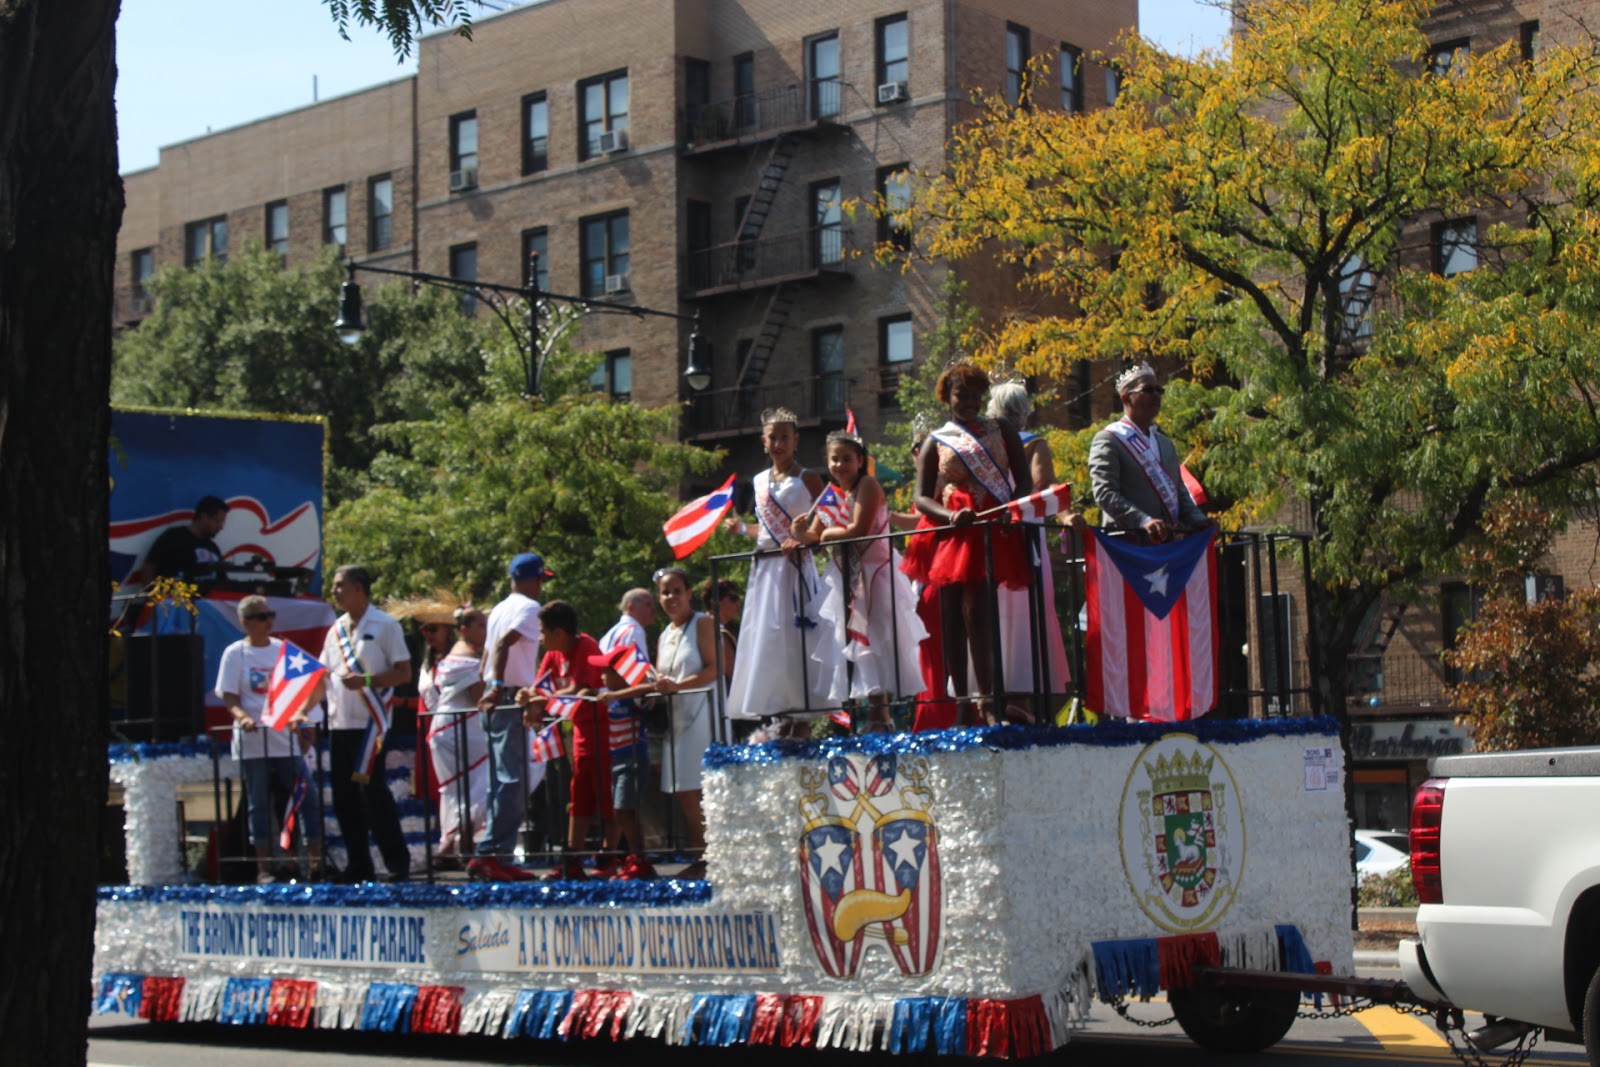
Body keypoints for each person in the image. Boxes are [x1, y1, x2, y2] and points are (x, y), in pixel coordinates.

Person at [915, 362, 1034, 725]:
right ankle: (963, 705)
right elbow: (921, 498)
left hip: (992, 528)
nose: (967, 402)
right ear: (946, 397)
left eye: (973, 395)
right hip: (954, 532)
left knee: (978, 612)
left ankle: (989, 701)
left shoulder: (1003, 430)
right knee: (951, 618)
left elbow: (1024, 482)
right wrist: (949, 516)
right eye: (959, 395)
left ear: (983, 395)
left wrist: (1009, 510)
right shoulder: (938, 439)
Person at [792, 431, 926, 730]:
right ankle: (875, 714)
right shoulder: (831, 494)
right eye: (835, 459)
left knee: (878, 639)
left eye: (847, 459)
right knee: (855, 643)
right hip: (846, 579)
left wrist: (826, 534)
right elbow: (813, 536)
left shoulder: (868, 485)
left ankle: (885, 715)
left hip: (874, 574)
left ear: (860, 461)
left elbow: (859, 529)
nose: (840, 465)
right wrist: (800, 532)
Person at [722, 407, 839, 733]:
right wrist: (741, 530)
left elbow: (828, 517)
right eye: (772, 437)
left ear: (795, 439)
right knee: (768, 639)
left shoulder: (809, 478)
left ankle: (801, 721)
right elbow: (763, 531)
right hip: (765, 570)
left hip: (794, 569)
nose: (778, 443)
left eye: (784, 437)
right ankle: (779, 717)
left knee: (795, 639)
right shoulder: (758, 481)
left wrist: (804, 540)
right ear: (763, 441)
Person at [215, 594, 322, 883]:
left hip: (285, 740)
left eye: (271, 615)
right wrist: (242, 718)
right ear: (246, 622)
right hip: (253, 742)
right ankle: (264, 866)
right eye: (262, 617)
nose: (269, 622)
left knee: (304, 796)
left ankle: (313, 862)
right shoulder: (235, 654)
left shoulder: (282, 650)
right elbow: (228, 695)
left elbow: (317, 678)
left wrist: (302, 714)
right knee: (258, 804)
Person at [986, 382, 1083, 699]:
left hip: (990, 535)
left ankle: (993, 699)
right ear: (1024, 411)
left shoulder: (983, 446)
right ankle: (1026, 701)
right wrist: (1068, 516)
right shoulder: (1034, 444)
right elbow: (1044, 486)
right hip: (1025, 535)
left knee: (993, 614)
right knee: (1028, 615)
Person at [318, 564, 412, 883]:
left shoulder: (385, 625)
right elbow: (322, 676)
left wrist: (368, 680)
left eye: (340, 585)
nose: (335, 591)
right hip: (340, 723)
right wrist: (302, 710)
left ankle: (397, 861)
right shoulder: (336, 630)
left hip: (371, 724)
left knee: (372, 791)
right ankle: (358, 863)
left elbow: (403, 672)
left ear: (358, 588)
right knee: (344, 796)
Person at [470, 552, 552, 882]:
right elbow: (504, 644)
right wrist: (497, 686)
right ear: (531, 579)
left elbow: (487, 652)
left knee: (499, 778)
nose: (541, 587)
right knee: (512, 779)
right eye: (540, 580)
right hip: (508, 695)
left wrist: (487, 685)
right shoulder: (530, 608)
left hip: (499, 695)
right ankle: (492, 853)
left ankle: (496, 854)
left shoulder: (501, 608)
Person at [394, 592, 488, 869]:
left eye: (433, 628)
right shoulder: (428, 664)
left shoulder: (459, 660)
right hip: (437, 731)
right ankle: (451, 844)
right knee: (447, 792)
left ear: (451, 630)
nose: (428, 635)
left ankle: (458, 845)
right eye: (424, 630)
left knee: (465, 788)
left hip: (460, 729)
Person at [518, 599, 607, 882]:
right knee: (578, 794)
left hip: (604, 731)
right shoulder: (553, 655)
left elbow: (581, 688)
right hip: (580, 733)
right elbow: (539, 688)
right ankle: (572, 860)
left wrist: (541, 701)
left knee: (605, 794)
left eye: (543, 632)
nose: (541, 638)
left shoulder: (587, 647)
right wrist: (528, 699)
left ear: (559, 633)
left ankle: (612, 856)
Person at [1088, 363, 1208, 543]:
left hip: (1168, 543)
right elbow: (1105, 493)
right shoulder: (1109, 439)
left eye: (1159, 390)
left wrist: (1200, 521)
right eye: (1148, 390)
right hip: (1130, 543)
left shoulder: (1165, 443)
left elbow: (1179, 492)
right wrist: (1143, 520)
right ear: (1126, 398)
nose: (1156, 395)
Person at [653, 566, 718, 878]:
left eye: (677, 590)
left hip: (703, 713)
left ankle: (714, 857)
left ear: (688, 593)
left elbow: (715, 669)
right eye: (665, 592)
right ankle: (701, 855)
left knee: (702, 787)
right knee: (684, 790)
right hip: (676, 717)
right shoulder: (665, 634)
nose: (671, 597)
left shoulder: (702, 623)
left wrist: (678, 686)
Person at [597, 588, 656, 879]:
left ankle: (616, 856)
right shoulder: (632, 633)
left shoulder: (607, 635)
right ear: (631, 606)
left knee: (621, 797)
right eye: (648, 604)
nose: (653, 611)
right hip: (627, 722)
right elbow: (640, 675)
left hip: (611, 724)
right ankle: (636, 858)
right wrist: (649, 695)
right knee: (625, 797)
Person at [136, 495, 229, 582]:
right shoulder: (173, 537)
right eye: (217, 521)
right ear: (203, 517)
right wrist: (156, 596)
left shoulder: (213, 548)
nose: (221, 527)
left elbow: (223, 581)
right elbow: (149, 569)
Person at [700, 577, 742, 683]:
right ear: (714, 602)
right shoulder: (719, 634)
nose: (738, 604)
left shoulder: (698, 628)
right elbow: (736, 678)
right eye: (733, 598)